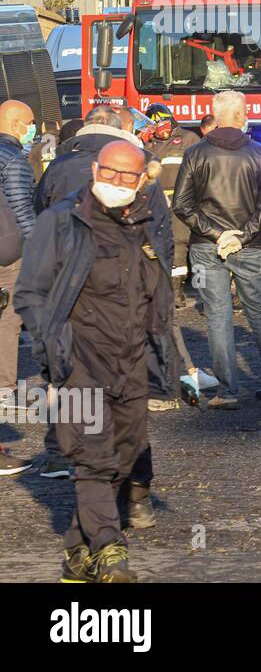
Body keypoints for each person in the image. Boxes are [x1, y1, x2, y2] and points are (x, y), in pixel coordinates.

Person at [14, 141, 172, 582]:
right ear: (94, 169)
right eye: (110, 172)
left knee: (126, 453)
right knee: (92, 454)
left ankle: (77, 549)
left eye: (128, 176)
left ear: (142, 181)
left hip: (132, 361)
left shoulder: (144, 223)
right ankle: (109, 548)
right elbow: (30, 294)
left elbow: (157, 297)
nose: (118, 182)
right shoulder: (60, 220)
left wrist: (171, 360)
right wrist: (52, 346)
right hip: (79, 361)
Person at [172, 90, 261, 408]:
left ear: (214, 116)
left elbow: (181, 205)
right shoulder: (259, 153)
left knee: (217, 316)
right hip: (249, 245)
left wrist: (216, 234)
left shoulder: (196, 153)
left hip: (205, 245)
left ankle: (228, 392)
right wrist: (241, 235)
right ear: (242, 116)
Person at [141, 104, 201, 307]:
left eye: (163, 122)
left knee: (180, 243)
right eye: (155, 124)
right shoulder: (147, 143)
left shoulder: (188, 139)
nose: (161, 128)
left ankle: (177, 292)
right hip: (154, 201)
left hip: (181, 199)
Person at [0, 100, 36, 396]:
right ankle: (3, 386)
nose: (33, 130)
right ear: (16, 125)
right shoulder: (14, 159)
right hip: (9, 251)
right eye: (31, 123)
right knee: (9, 318)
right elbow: (20, 207)